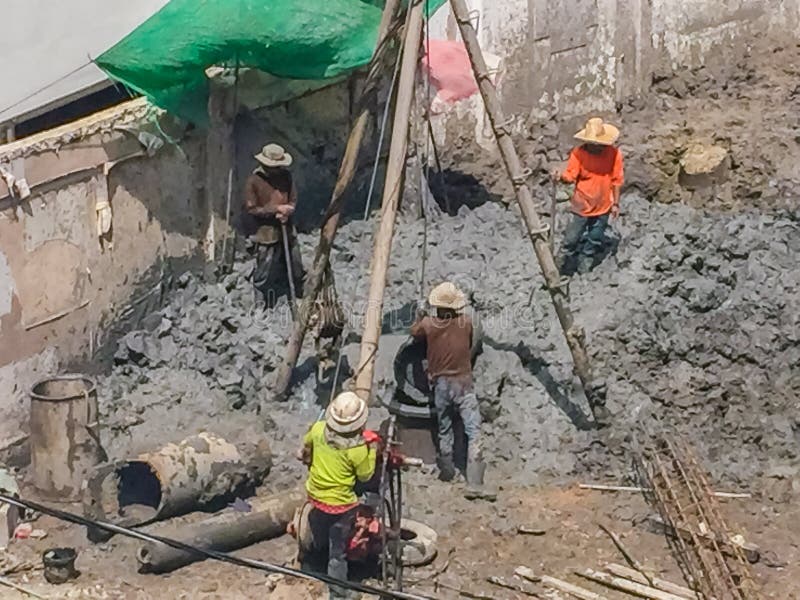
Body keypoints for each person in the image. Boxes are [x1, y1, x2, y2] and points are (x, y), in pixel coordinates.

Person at [410, 282, 494, 501]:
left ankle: (447, 470)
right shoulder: (466, 322)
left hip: (440, 384)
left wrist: (420, 314)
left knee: (444, 426)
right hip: (463, 382)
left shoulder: (428, 324)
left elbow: (414, 333)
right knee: (473, 429)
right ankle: (475, 482)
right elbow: (470, 344)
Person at [298, 392, 377, 599]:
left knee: (318, 530)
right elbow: (366, 474)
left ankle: (309, 566)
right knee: (338, 552)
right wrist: (373, 448)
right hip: (341, 506)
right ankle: (338, 594)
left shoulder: (317, 430)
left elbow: (306, 448)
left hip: (315, 494)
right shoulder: (358, 449)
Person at [551, 117, 624, 274]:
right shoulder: (578, 154)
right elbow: (570, 176)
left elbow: (617, 179)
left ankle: (585, 266)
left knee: (595, 238)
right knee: (571, 238)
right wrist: (561, 176)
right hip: (582, 204)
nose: (597, 148)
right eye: (594, 144)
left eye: (600, 145)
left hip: (603, 205)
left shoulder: (613, 154)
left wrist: (616, 204)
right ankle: (557, 268)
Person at [243, 143, 306, 308]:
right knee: (265, 266)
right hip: (266, 232)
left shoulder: (286, 176)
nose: (277, 169)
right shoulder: (254, 181)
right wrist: (275, 210)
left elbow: (293, 198)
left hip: (287, 227)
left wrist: (288, 210)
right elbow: (252, 209)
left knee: (295, 262)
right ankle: (260, 299)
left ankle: (298, 293)